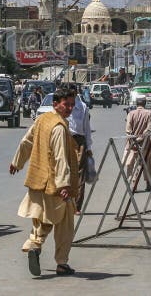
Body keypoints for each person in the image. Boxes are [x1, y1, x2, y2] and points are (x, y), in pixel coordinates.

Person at [10, 88, 80, 277]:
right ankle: (61, 263)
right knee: (64, 225)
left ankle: (33, 244)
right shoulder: (58, 127)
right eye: (66, 104)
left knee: (43, 219)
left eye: (72, 105)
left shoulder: (41, 120)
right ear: (56, 104)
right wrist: (65, 184)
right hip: (55, 185)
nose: (70, 108)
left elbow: (27, 141)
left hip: (38, 181)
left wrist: (17, 162)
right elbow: (60, 157)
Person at [66, 85, 93, 213]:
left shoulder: (82, 107)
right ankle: (66, 203)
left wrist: (88, 147)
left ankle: (77, 206)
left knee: (80, 174)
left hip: (80, 142)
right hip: (66, 139)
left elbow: (87, 128)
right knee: (66, 172)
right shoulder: (63, 106)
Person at [124, 96, 151, 190]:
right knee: (146, 163)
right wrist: (140, 139)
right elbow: (148, 129)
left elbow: (128, 130)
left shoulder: (131, 114)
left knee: (131, 164)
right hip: (145, 143)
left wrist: (134, 140)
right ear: (145, 103)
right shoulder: (149, 113)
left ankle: (133, 183)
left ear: (136, 104)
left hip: (132, 144)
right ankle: (148, 183)